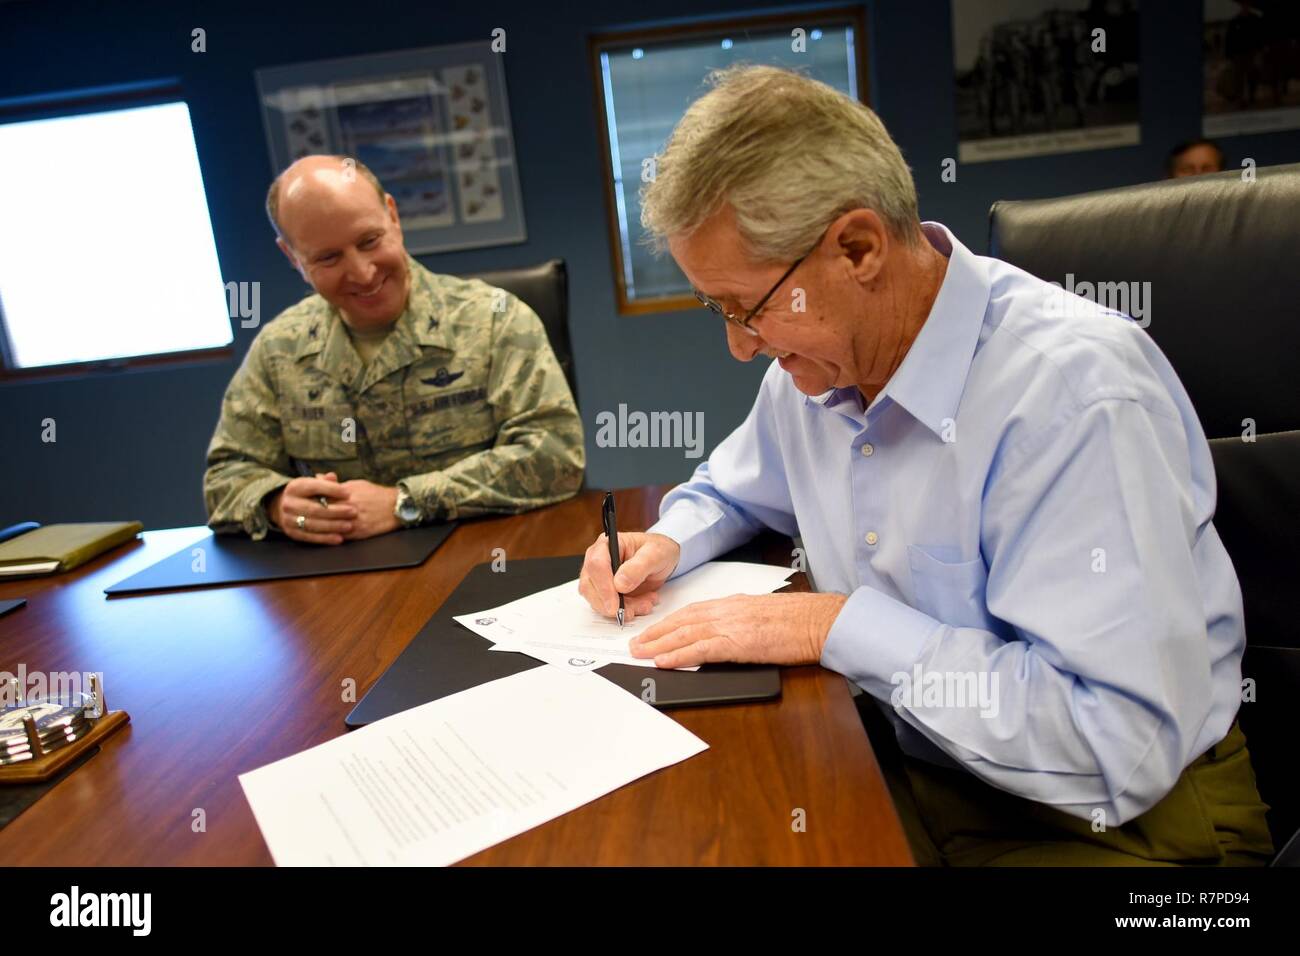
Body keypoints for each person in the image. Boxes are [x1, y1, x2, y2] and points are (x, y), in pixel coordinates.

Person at [576, 66, 1271, 866]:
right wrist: (668, 541)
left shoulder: (1074, 396)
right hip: (915, 760)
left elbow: (1120, 743)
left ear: (859, 247)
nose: (739, 347)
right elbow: (730, 490)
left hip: (1123, 823)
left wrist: (832, 625)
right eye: (718, 310)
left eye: (750, 308)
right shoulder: (811, 372)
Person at [204, 156, 584, 543]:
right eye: (328, 257)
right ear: (292, 257)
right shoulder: (278, 350)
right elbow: (225, 477)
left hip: (485, 565)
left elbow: (554, 456)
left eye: (369, 241)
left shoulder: (494, 321)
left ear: (393, 216)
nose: (363, 273)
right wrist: (276, 503)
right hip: (340, 582)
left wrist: (405, 501)